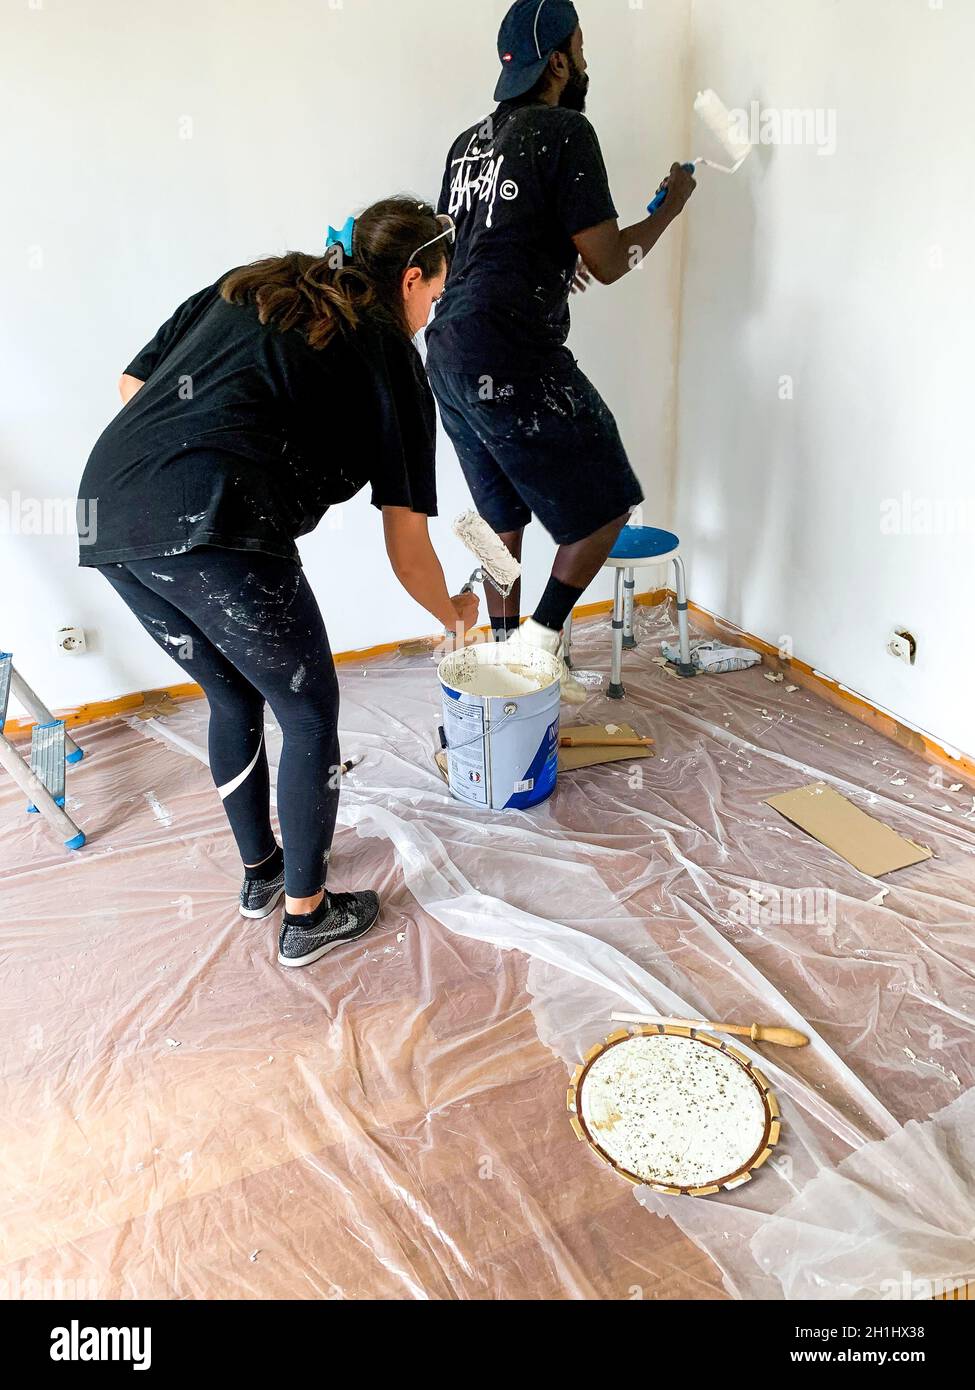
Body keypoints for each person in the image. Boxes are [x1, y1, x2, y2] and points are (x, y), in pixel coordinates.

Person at [77, 198, 478, 969]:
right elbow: (407, 545)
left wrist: (236, 444)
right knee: (308, 710)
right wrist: (454, 613)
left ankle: (263, 875)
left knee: (232, 696)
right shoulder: (391, 358)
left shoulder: (255, 283)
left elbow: (133, 385)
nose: (432, 311)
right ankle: (308, 916)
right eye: (434, 294)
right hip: (214, 523)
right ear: (410, 279)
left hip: (110, 512)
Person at [425, 0, 696, 701]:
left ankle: (504, 655)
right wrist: (671, 206)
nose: (584, 60)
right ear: (556, 61)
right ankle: (540, 644)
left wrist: (551, 254)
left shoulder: (465, 144)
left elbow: (471, 249)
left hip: (447, 348)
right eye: (579, 46)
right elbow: (608, 263)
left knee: (496, 520)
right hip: (509, 345)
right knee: (608, 503)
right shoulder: (565, 129)